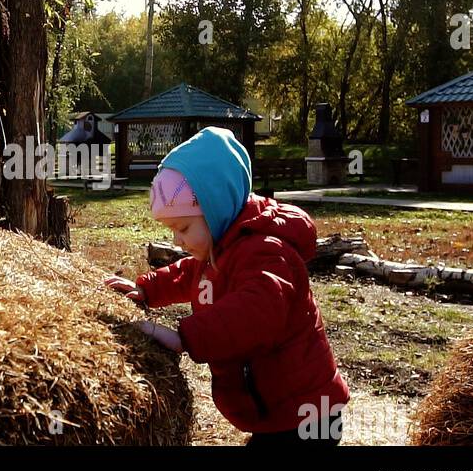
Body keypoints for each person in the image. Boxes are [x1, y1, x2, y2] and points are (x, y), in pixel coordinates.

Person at [104, 127, 349, 446]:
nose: (177, 240)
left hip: (307, 415)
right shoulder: (221, 248)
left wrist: (186, 337)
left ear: (217, 207)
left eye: (183, 227)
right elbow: (190, 274)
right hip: (277, 411)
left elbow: (255, 314)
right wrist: (147, 289)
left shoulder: (265, 253)